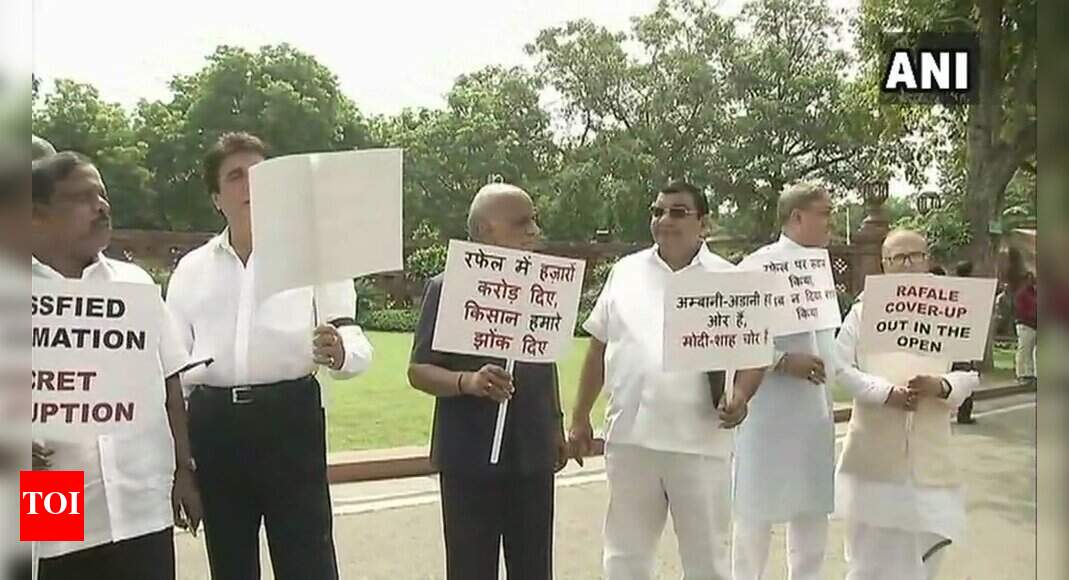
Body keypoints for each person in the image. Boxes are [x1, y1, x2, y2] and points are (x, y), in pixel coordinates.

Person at [166, 132, 373, 580]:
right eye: (236, 177)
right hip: (215, 427)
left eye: (260, 175)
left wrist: (340, 352)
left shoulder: (316, 259)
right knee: (230, 561)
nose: (250, 186)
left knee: (307, 560)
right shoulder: (191, 270)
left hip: (289, 421)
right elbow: (173, 368)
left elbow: (352, 336)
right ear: (217, 197)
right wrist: (181, 461)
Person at [569, 180, 762, 580]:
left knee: (706, 558)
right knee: (625, 556)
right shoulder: (625, 272)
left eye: (677, 212)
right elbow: (597, 349)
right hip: (631, 440)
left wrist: (741, 396)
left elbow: (755, 356)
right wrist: (580, 415)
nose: (664, 220)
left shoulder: (730, 280)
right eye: (657, 211)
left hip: (700, 442)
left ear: (703, 224)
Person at [30, 151, 201, 580]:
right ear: (37, 216)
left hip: (142, 497)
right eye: (82, 198)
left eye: (102, 194)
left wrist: (185, 470)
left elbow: (170, 384)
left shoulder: (135, 285)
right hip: (53, 494)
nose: (101, 206)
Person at [408, 182, 567, 579]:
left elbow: (545, 360)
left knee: (533, 566)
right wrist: (468, 381)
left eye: (534, 220)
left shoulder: (542, 286)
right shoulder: (446, 288)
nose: (534, 230)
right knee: (470, 567)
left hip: (531, 453)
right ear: (484, 231)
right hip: (469, 456)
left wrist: (556, 423)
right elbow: (419, 370)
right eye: (521, 222)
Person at [834, 229, 980, 579]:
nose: (909, 264)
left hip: (930, 455)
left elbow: (970, 374)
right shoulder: (862, 310)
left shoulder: (952, 308)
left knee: (926, 551)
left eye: (916, 255)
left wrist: (941, 385)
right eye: (899, 258)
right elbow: (838, 367)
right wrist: (885, 393)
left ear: (928, 259)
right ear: (884, 265)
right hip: (873, 453)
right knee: (870, 555)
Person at [732, 181, 837, 580]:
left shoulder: (821, 268)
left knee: (812, 513)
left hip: (816, 413)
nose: (831, 223)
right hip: (767, 411)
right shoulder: (758, 265)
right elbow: (735, 334)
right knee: (755, 514)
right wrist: (780, 361)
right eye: (824, 213)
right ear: (797, 217)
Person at [952, 261, 978, 423]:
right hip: (965, 337)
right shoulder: (973, 291)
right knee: (966, 375)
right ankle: (964, 414)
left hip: (951, 338)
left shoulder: (951, 289)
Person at [1014, 271, 1037, 385]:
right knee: (1024, 349)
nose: (1031, 280)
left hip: (1035, 325)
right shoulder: (1021, 294)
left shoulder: (1034, 293)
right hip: (1025, 324)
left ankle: (1030, 373)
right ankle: (1021, 373)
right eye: (1029, 279)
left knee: (1032, 350)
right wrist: (1033, 315)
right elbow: (1021, 310)